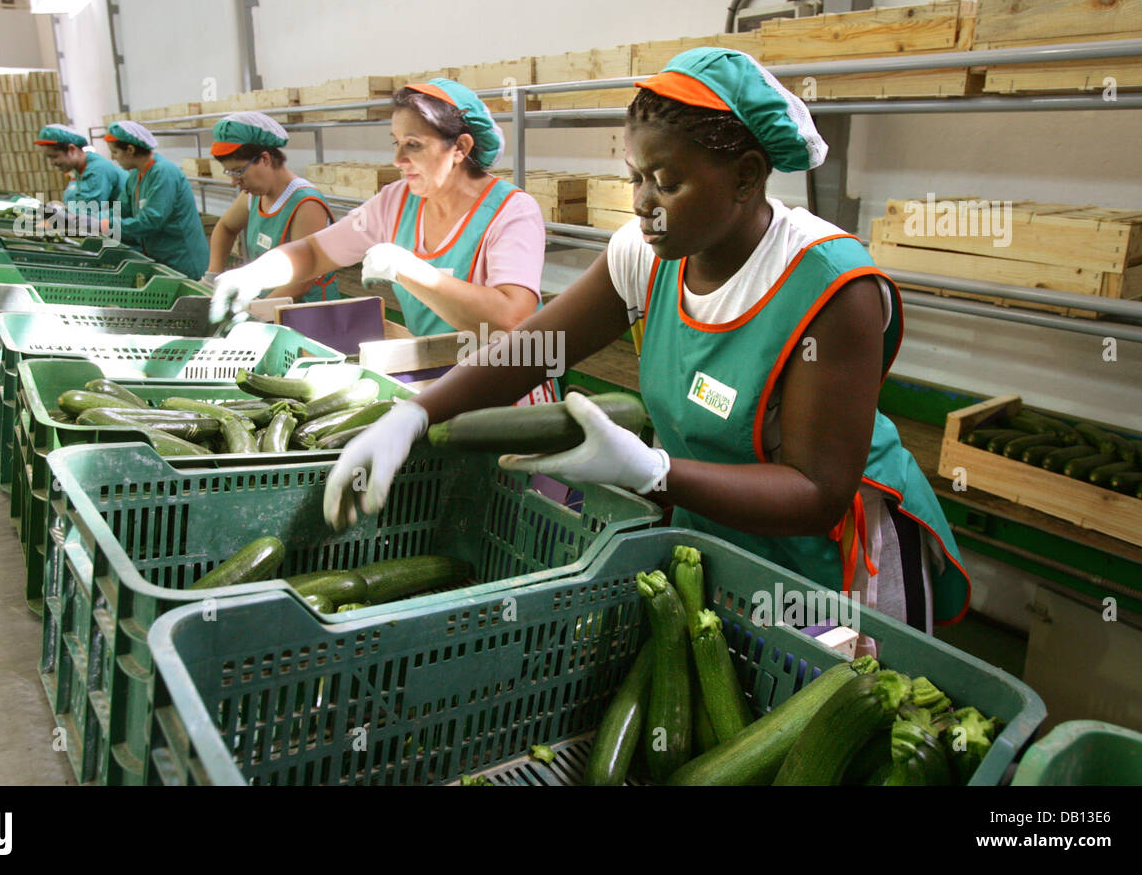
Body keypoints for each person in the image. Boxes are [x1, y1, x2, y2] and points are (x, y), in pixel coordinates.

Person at [319, 48, 971, 634]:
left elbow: (815, 493)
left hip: (836, 559)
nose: (641, 202)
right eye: (635, 176)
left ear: (745, 177)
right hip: (714, 525)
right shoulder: (646, 255)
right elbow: (532, 350)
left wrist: (651, 472)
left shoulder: (831, 288)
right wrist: (414, 415)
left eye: (667, 181)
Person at [209, 79, 554, 356]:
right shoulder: (396, 202)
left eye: (413, 145)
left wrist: (406, 268)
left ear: (460, 148)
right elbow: (315, 253)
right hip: (439, 373)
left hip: (506, 384)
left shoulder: (512, 212)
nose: (398, 159)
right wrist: (254, 274)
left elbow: (512, 318)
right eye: (396, 143)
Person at [203, 111, 340, 303]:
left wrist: (255, 308)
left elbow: (302, 280)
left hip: (309, 315)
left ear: (265, 159)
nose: (235, 181)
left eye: (238, 171)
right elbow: (225, 228)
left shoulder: (306, 203)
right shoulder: (252, 197)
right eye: (230, 172)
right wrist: (212, 277)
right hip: (269, 308)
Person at [101, 120, 210, 279]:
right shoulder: (135, 175)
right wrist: (89, 219)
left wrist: (105, 225)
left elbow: (151, 220)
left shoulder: (163, 173)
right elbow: (122, 209)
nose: (113, 157)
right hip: (161, 258)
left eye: (115, 152)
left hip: (182, 261)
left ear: (130, 150)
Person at [34, 123, 126, 230]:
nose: (52, 163)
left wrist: (52, 222)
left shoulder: (97, 170)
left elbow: (86, 213)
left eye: (54, 157)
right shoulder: (82, 168)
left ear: (72, 149)